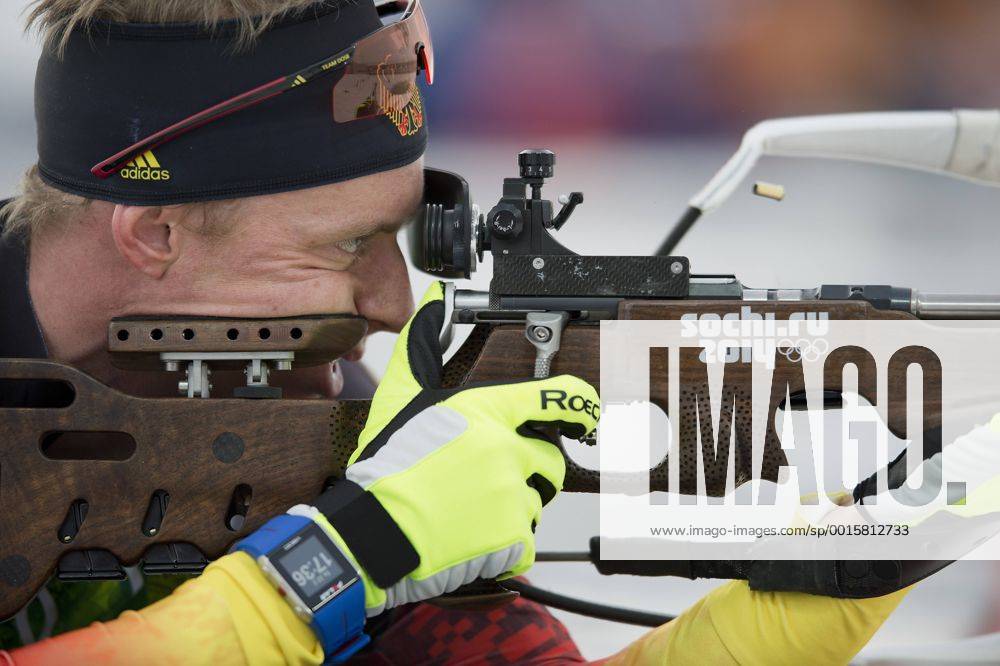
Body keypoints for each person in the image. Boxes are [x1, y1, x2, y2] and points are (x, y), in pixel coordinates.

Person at [0, 0, 911, 662]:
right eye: (345, 245)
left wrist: (779, 630)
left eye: (397, 239)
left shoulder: (319, 416)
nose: (395, 305)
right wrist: (325, 571)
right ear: (155, 233)